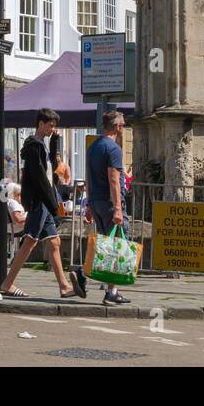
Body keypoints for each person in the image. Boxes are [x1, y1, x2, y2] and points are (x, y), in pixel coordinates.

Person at [0, 108, 81, 300]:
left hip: (43, 201)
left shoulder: (41, 145)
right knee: (29, 241)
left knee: (54, 242)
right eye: (50, 125)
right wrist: (53, 203)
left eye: (54, 126)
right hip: (39, 201)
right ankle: (7, 282)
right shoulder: (35, 146)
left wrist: (55, 143)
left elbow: (51, 168)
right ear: (41, 123)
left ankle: (63, 286)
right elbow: (40, 178)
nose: (53, 129)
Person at [81, 110, 133, 306]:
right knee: (118, 246)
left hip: (96, 202)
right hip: (110, 203)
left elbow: (88, 176)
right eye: (123, 124)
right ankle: (84, 276)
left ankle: (111, 290)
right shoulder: (113, 149)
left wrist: (88, 203)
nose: (123, 127)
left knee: (108, 246)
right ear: (117, 126)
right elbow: (114, 180)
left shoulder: (94, 146)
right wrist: (118, 208)